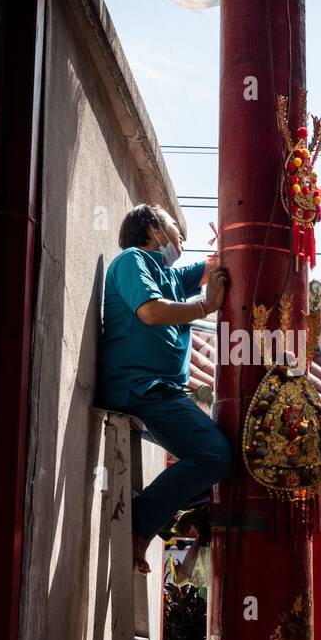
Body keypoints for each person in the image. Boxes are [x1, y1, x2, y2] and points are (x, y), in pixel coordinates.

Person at [99, 204, 233, 572]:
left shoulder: (171, 275)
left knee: (228, 465)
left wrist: (229, 240)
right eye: (175, 226)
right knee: (216, 457)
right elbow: (151, 312)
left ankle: (151, 514)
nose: (181, 236)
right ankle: (140, 520)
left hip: (162, 392)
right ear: (154, 228)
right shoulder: (132, 260)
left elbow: (215, 266)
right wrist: (205, 306)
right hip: (139, 386)